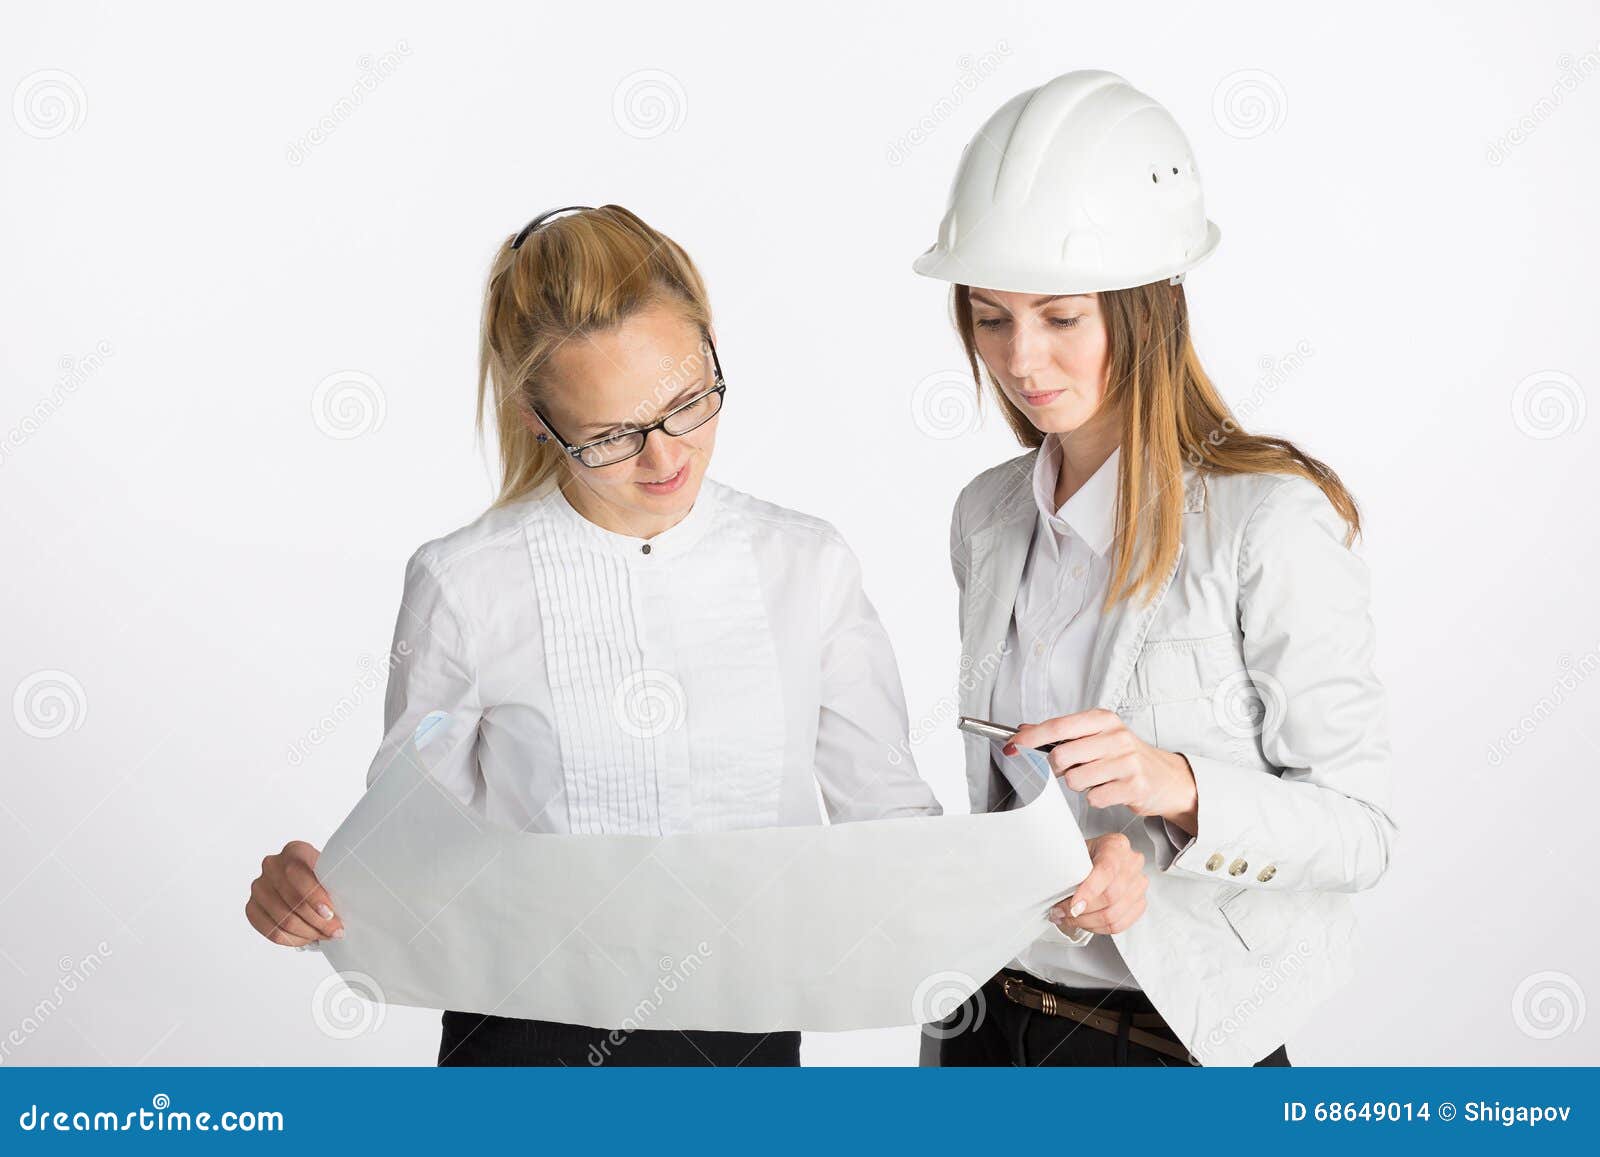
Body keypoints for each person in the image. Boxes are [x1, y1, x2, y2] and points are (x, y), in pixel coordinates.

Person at [245, 204, 942, 1066]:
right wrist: (309, 894)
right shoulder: (465, 584)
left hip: (750, 1050)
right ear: (539, 419)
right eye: (611, 435)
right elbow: (409, 853)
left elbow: (897, 829)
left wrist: (1042, 879)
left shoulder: (808, 565)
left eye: (688, 402)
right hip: (522, 1051)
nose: (663, 458)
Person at [914, 70, 1398, 1067]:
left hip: (1162, 1050)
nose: (1019, 359)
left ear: (1146, 309)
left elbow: (1359, 831)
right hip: (980, 1031)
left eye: (1060, 316)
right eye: (990, 315)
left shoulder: (1268, 521)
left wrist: (1176, 786)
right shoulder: (987, 515)